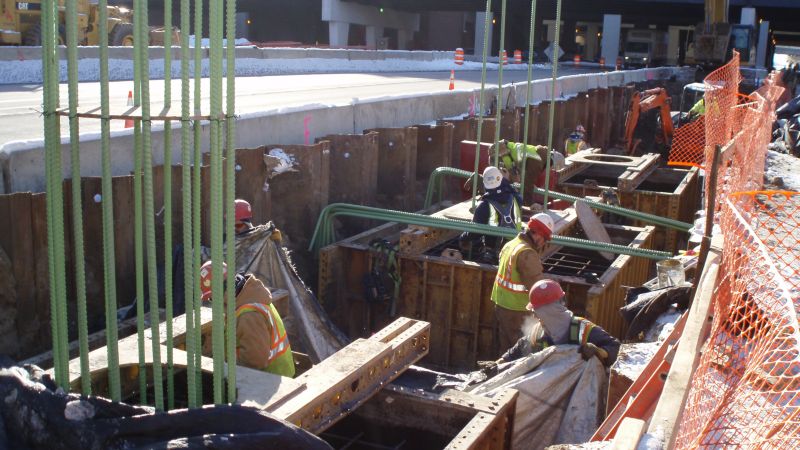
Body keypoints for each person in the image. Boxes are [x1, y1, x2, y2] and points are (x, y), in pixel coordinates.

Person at [481, 279, 620, 371]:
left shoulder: (584, 330)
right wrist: (498, 363)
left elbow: (616, 348)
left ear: (549, 311)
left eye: (536, 311)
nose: (534, 316)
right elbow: (517, 351)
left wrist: (598, 351)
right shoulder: (538, 332)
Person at [199, 260, 295, 377]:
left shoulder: (248, 315)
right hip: (274, 374)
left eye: (211, 298)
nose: (213, 302)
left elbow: (254, 361)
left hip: (268, 379)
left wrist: (224, 366)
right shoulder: (250, 296)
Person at [490, 213, 555, 351]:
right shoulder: (527, 254)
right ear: (537, 233)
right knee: (522, 352)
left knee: (506, 349)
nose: (544, 242)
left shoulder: (511, 244)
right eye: (545, 238)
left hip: (501, 304)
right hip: (517, 311)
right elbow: (538, 287)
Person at [459, 166, 524, 256]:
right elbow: (513, 193)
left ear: (485, 184)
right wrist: (505, 181)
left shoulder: (484, 206)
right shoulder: (515, 198)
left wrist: (463, 238)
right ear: (501, 179)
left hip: (495, 254)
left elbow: (475, 231)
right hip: (516, 248)